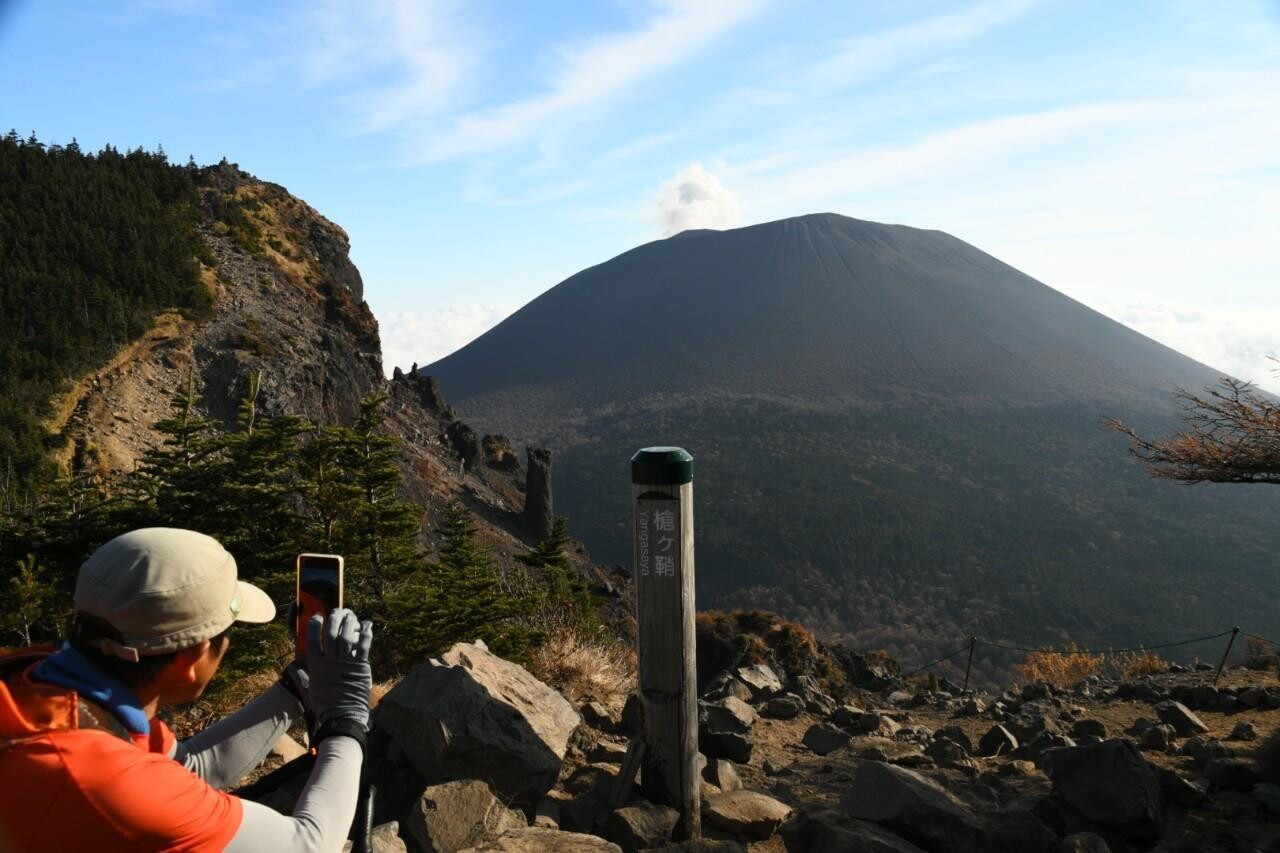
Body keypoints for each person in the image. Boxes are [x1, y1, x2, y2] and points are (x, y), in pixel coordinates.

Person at [0, 527, 373, 852]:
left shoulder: (41, 682)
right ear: (192, 659)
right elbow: (309, 845)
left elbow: (191, 766)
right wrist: (346, 718)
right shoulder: (110, 780)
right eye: (228, 631)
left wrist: (297, 684)